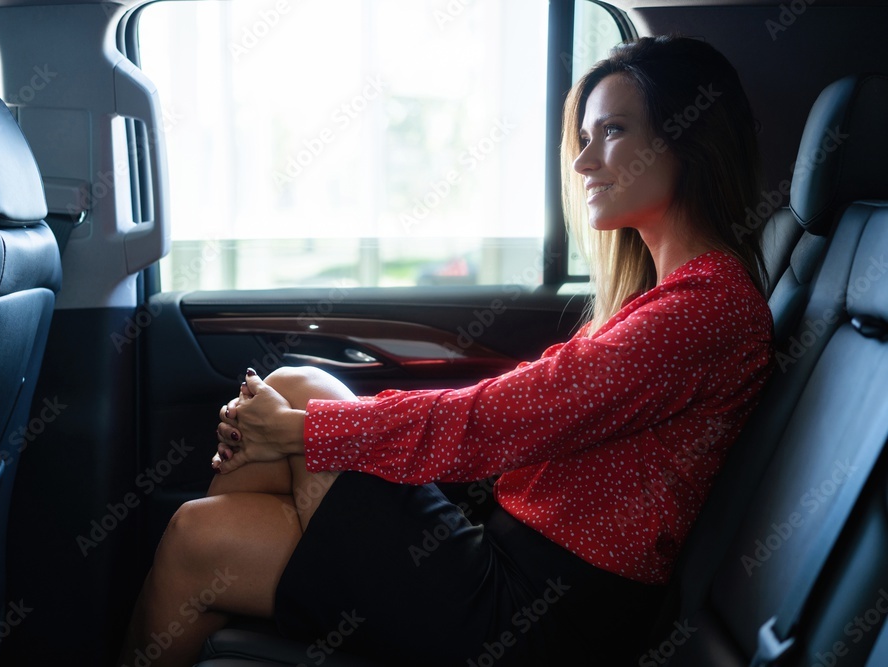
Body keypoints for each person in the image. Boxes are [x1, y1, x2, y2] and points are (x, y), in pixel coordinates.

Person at [120, 35, 774, 666]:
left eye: (612, 132)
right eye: (584, 138)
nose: (582, 163)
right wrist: (300, 430)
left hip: (531, 617)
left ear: (688, 136)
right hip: (504, 556)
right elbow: (520, 408)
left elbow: (499, 418)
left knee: (292, 403)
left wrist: (300, 432)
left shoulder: (704, 310)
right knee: (196, 536)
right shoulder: (664, 299)